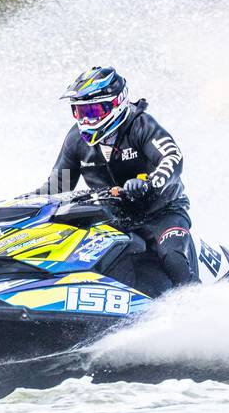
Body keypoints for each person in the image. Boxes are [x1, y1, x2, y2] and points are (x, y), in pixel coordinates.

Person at [35, 66, 196, 289]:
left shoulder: (142, 125)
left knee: (173, 257)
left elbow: (172, 158)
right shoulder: (75, 140)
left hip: (162, 212)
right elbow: (57, 187)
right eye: (80, 112)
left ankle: (199, 304)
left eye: (93, 111)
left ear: (116, 103)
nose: (87, 120)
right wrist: (22, 205)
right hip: (112, 217)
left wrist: (149, 184)